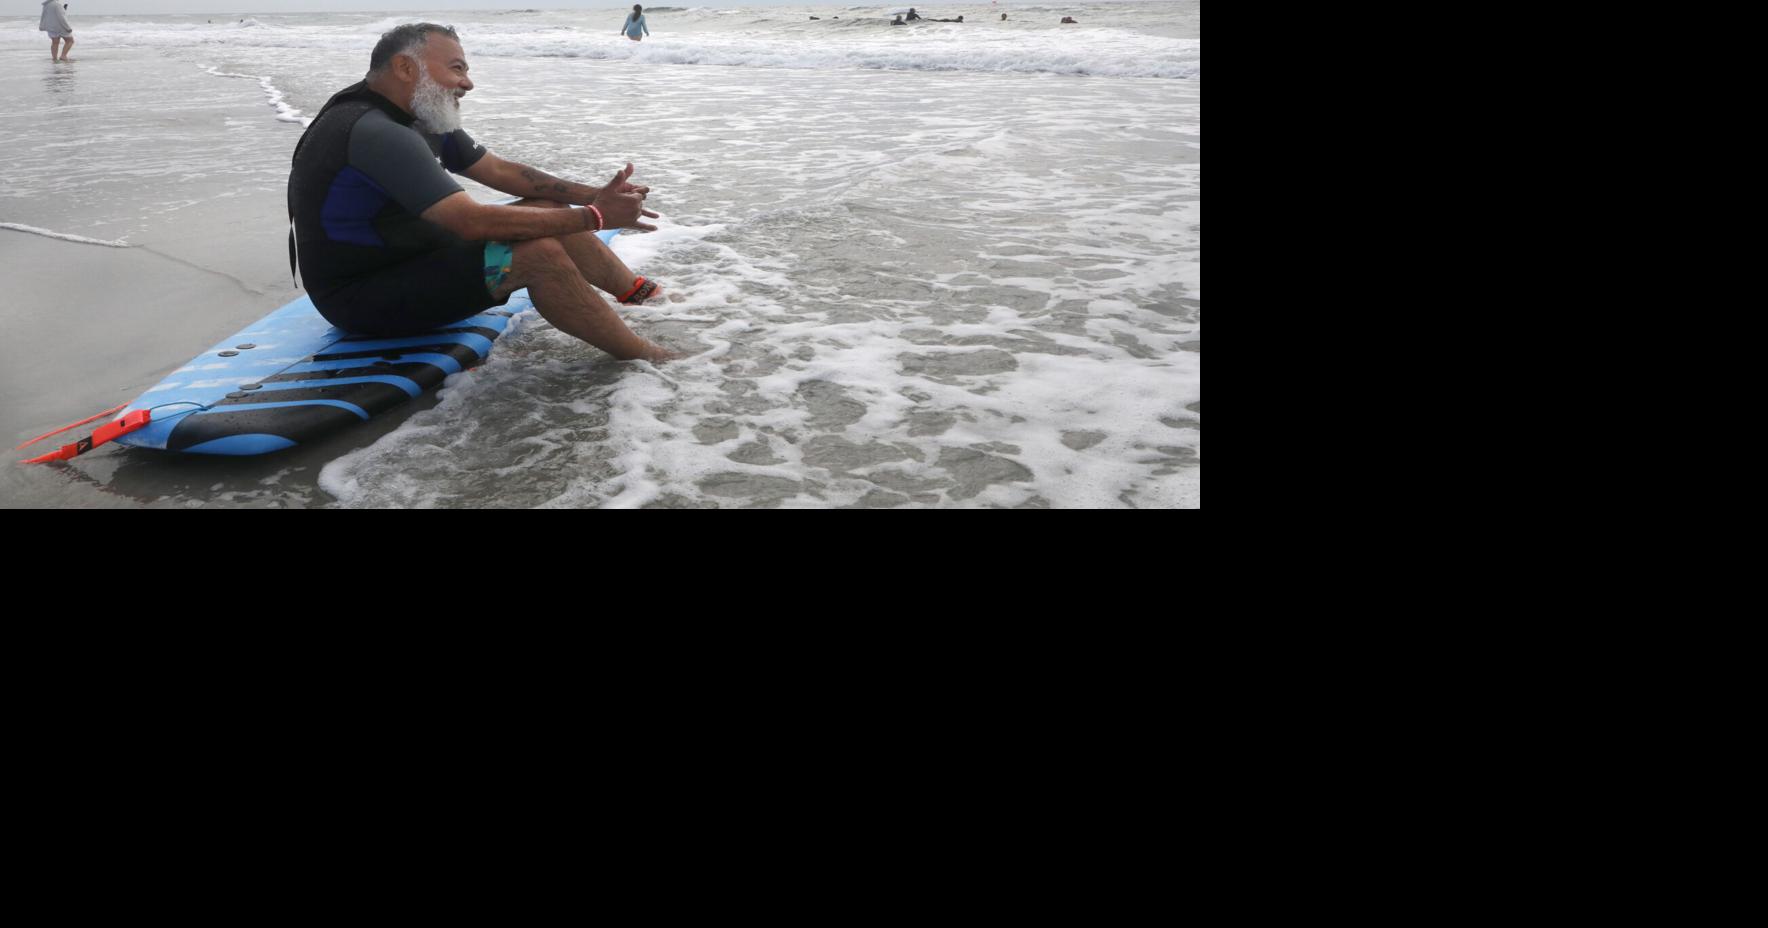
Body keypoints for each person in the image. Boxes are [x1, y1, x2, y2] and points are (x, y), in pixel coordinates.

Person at [288, 23, 673, 363]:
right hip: (361, 297)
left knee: (547, 207)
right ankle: (650, 358)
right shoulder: (375, 131)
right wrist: (598, 217)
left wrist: (596, 196)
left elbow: (500, 171)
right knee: (539, 254)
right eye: (457, 68)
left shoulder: (420, 112)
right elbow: (470, 222)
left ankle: (639, 294)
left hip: (413, 258)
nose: (468, 83)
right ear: (406, 68)